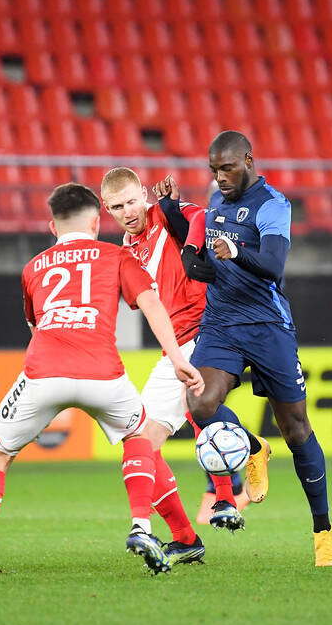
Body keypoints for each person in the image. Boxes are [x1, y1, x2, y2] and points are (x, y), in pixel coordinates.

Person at [0, 183, 204, 581]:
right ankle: (142, 526)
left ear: (52, 226)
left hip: (42, 373)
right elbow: (152, 303)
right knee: (140, 439)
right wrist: (177, 359)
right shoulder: (117, 254)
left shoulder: (33, 267)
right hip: (103, 372)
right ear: (96, 220)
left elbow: (35, 325)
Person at [180, 130, 332, 566]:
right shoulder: (215, 203)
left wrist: (235, 251)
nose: (220, 177)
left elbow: (272, 265)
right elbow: (207, 262)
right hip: (221, 324)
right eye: (213, 170)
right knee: (199, 402)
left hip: (268, 326)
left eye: (227, 168)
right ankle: (253, 447)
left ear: (247, 160)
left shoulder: (273, 204)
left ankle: (323, 532)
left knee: (297, 429)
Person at [100, 167, 240, 557]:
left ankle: (226, 497)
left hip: (207, 329)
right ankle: (185, 538)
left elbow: (202, 220)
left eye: (132, 201)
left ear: (142, 193)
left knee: (200, 409)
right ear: (106, 209)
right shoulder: (126, 251)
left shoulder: (166, 214)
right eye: (117, 206)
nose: (128, 211)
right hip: (172, 349)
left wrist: (175, 208)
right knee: (143, 445)